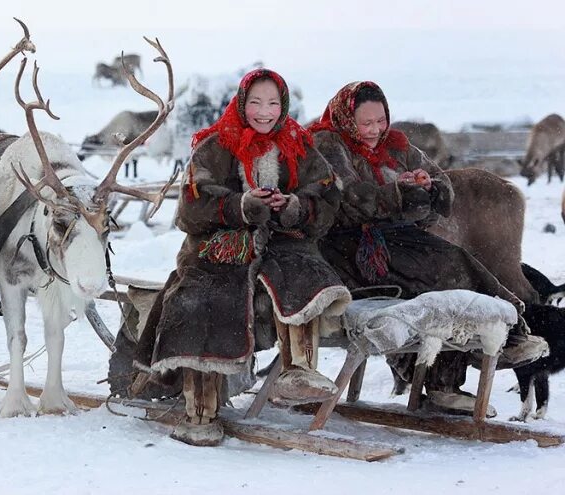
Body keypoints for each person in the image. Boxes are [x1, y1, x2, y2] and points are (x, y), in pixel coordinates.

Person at [134, 69, 351, 446]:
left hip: (283, 242)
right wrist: (241, 206)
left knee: (304, 274)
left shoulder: (299, 145)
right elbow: (191, 206)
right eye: (255, 103)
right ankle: (199, 411)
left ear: (283, 106)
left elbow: (328, 195)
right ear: (241, 103)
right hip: (217, 250)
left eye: (272, 103)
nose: (264, 112)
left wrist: (294, 206)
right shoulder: (215, 145)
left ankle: (299, 370)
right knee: (198, 302)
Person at [308, 81, 547, 416]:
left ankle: (468, 366)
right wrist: (398, 193)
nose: (376, 130)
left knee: (455, 262)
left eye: (381, 121)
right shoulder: (327, 143)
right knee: (444, 271)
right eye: (366, 123)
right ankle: (470, 362)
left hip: (393, 240)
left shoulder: (395, 145)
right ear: (347, 119)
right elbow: (351, 198)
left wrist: (428, 185)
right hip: (346, 249)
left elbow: (442, 185)